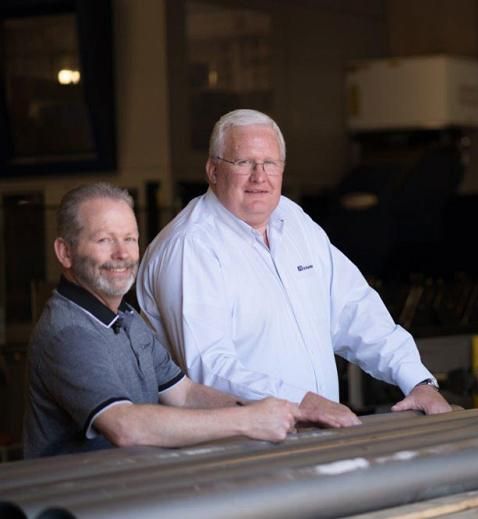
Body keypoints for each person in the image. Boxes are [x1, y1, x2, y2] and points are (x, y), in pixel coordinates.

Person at [137, 109, 451, 427]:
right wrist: (305, 403)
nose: (260, 176)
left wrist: (417, 381)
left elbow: (354, 310)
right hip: (240, 454)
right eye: (244, 162)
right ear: (213, 170)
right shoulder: (190, 247)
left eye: (270, 163)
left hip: (316, 439)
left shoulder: (293, 220)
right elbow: (209, 369)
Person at [24, 183, 300, 459]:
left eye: (130, 239)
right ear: (65, 253)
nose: (122, 254)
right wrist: (248, 422)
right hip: (77, 499)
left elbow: (185, 395)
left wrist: (280, 412)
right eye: (104, 240)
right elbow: (125, 426)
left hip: (131, 491)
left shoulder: (127, 318)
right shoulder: (69, 333)